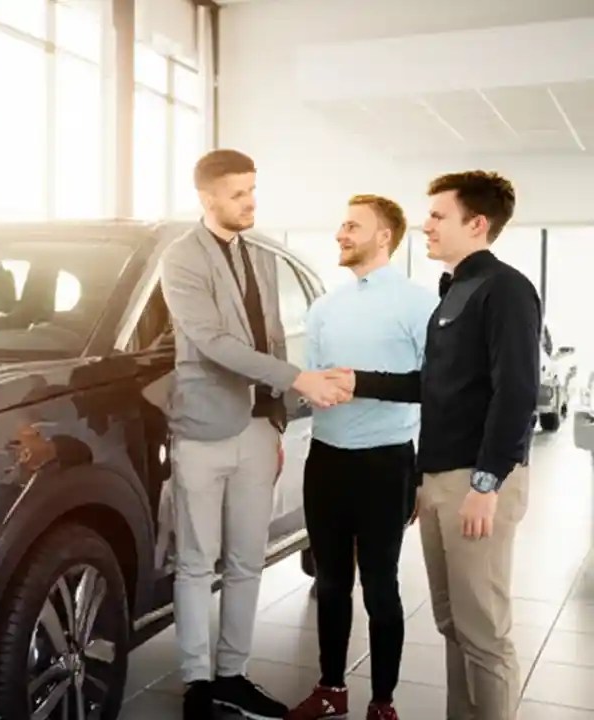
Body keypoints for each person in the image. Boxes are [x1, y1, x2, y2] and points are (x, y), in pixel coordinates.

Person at [333, 171, 539, 720]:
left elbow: (517, 392)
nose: (425, 224)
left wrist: (486, 483)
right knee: (452, 624)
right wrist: (360, 380)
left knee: (484, 632)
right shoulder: (455, 290)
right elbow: (436, 386)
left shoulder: (505, 288)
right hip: (441, 478)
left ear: (477, 223)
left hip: (476, 480)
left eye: (439, 216)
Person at [160, 148, 351, 720]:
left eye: (252, 190)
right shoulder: (180, 259)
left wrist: (277, 418)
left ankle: (231, 675)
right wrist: (299, 379)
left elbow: (270, 340)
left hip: (255, 428)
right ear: (207, 196)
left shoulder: (262, 258)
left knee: (247, 559)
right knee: (197, 562)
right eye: (239, 193)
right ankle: (196, 681)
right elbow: (213, 342)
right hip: (202, 427)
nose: (250, 202)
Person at [286, 195, 439, 720]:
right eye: (341, 224)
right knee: (330, 581)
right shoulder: (325, 307)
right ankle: (331, 690)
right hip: (326, 460)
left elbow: (435, 386)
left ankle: (382, 702)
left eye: (352, 226)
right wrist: (314, 391)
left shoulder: (419, 303)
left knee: (380, 585)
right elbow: (309, 377)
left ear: (384, 237)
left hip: (386, 463)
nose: (340, 234)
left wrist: (419, 474)